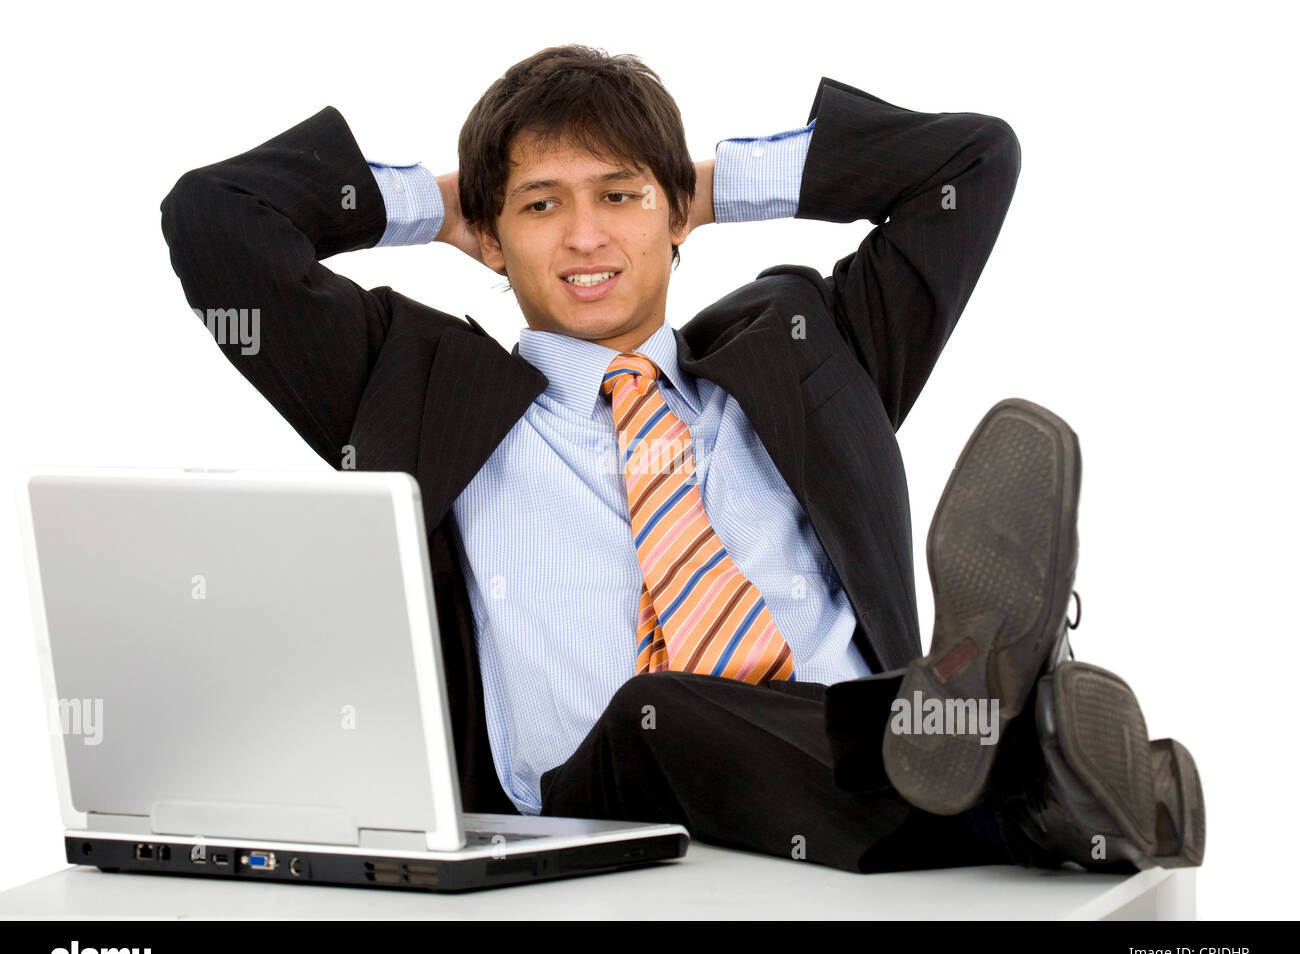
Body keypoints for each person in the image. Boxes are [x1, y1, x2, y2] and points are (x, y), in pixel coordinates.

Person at [160, 44, 1204, 874]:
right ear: (494, 237)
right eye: (539, 204)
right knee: (661, 710)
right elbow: (215, 222)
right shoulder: (411, 388)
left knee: (728, 714)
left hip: (829, 767)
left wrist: (712, 185)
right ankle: (1023, 751)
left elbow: (974, 161)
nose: (584, 237)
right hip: (586, 815)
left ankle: (1041, 786)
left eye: (619, 195)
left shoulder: (806, 352)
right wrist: (447, 202)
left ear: (675, 217)